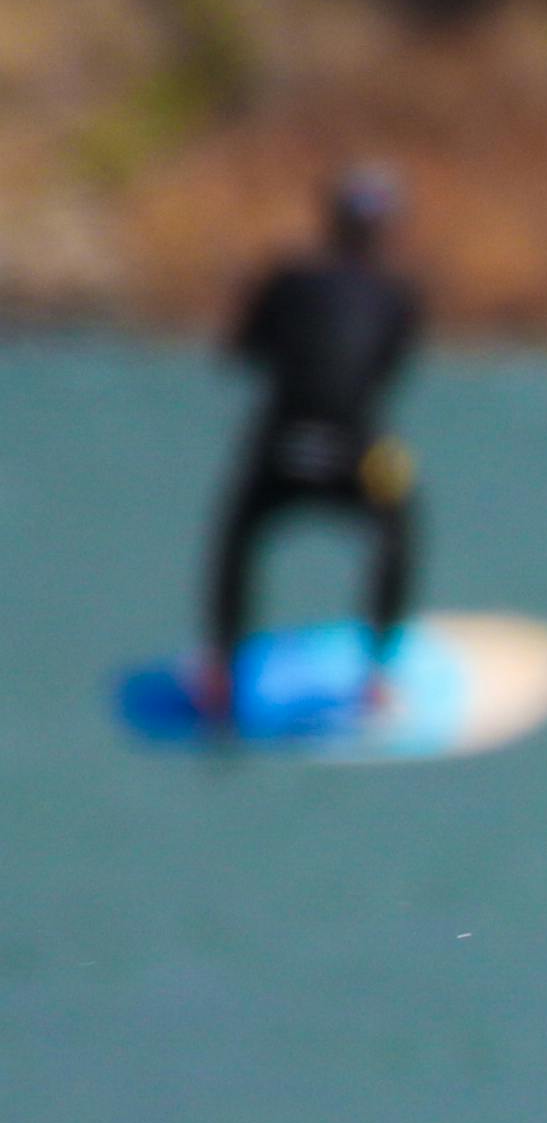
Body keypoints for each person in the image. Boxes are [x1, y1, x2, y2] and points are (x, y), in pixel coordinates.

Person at [196, 163, 428, 736]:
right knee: (399, 525)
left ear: (329, 222)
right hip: (360, 450)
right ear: (385, 231)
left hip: (281, 446)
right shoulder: (399, 294)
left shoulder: (286, 280)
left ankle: (223, 676)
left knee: (237, 533)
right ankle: (377, 679)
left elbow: (240, 353)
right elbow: (386, 369)